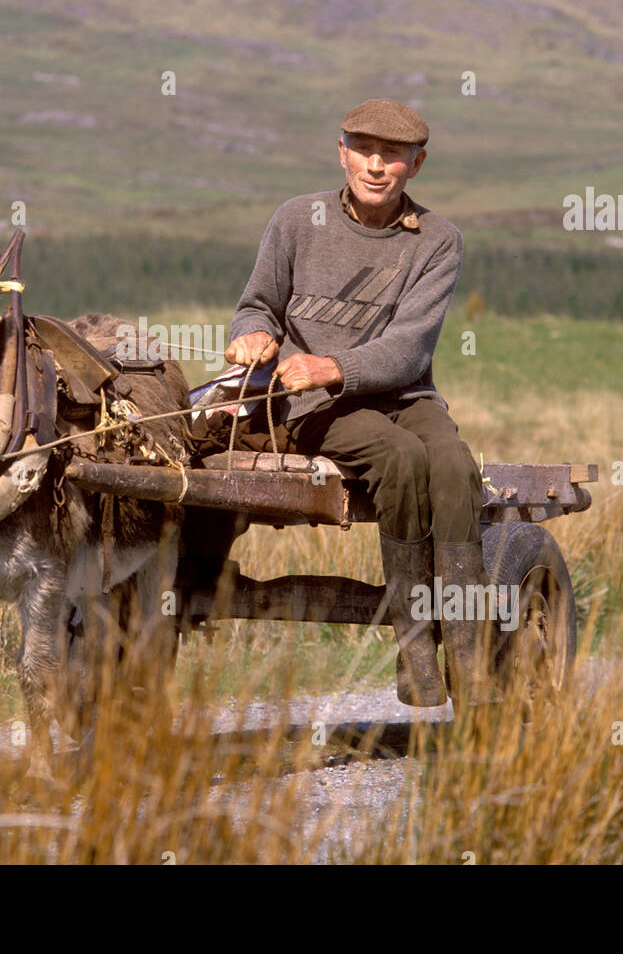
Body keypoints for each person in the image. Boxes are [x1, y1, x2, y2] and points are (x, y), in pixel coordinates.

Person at [207, 98, 495, 707]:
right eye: (364, 150)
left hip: (405, 394)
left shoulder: (439, 241)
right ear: (342, 153)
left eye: (392, 155)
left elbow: (411, 345)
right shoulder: (295, 221)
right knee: (400, 460)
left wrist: (333, 365)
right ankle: (417, 650)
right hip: (311, 408)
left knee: (453, 467)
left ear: (415, 165)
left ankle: (469, 660)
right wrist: (252, 333)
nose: (375, 165)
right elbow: (257, 302)